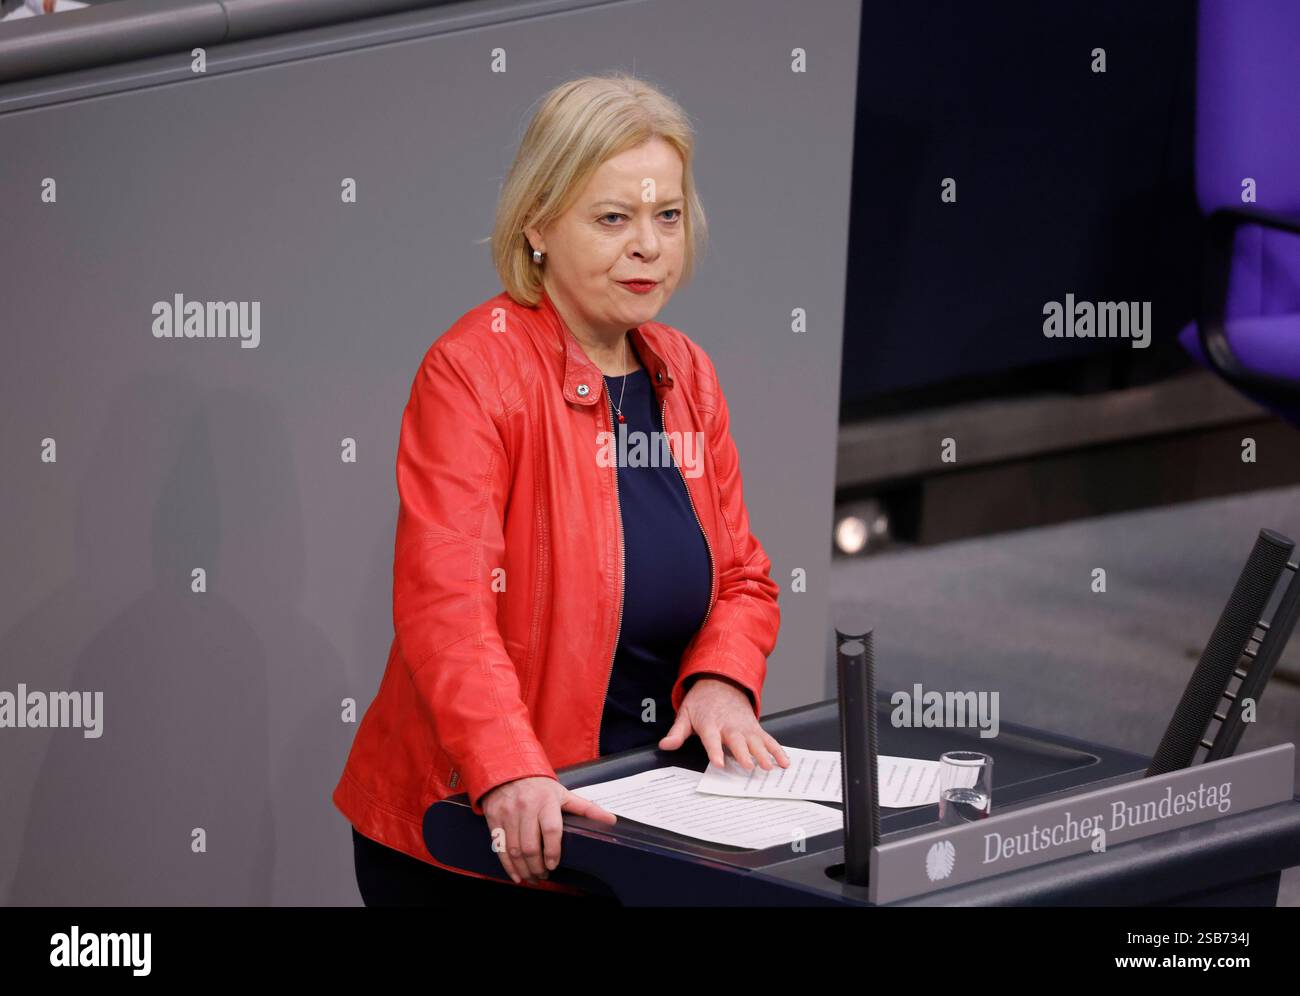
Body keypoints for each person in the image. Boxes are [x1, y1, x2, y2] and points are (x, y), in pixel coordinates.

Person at [335, 72, 787, 906]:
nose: (648, 245)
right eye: (613, 218)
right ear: (538, 225)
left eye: (668, 216)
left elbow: (742, 580)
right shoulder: (473, 370)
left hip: (641, 811)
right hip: (483, 829)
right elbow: (448, 610)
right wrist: (507, 768)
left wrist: (723, 677)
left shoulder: (687, 375)